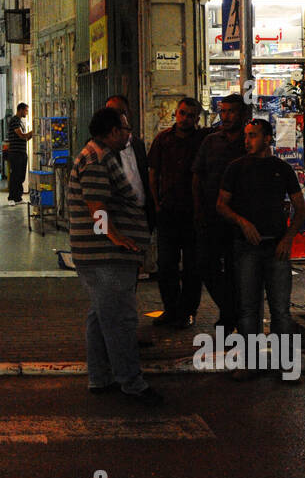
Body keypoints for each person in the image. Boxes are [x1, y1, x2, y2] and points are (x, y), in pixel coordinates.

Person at [67, 107, 163, 405]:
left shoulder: (101, 155)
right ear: (111, 132)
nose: (128, 132)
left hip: (104, 255)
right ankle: (131, 382)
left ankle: (100, 377)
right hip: (105, 256)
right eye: (124, 128)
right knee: (120, 320)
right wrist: (118, 238)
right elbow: (97, 207)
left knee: (101, 316)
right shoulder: (96, 159)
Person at [217, 118, 305, 380]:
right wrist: (242, 222)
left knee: (280, 308)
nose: (247, 140)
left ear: (267, 138)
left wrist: (288, 237)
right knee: (248, 308)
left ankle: (285, 362)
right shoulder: (235, 169)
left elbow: (300, 207)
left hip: (276, 246)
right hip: (247, 247)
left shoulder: (282, 169)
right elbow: (221, 204)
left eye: (253, 135)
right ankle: (250, 362)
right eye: (246, 135)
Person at [148, 97, 206, 327]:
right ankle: (171, 309)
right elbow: (153, 172)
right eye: (182, 113)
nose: (185, 118)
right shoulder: (163, 140)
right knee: (167, 265)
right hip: (169, 212)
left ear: (196, 118)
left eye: (190, 115)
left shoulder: (203, 140)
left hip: (193, 214)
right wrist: (157, 203)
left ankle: (188, 311)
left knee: (193, 267)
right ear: (176, 113)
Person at [192, 93, 247, 332]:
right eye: (222, 111)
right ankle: (230, 310)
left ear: (242, 114)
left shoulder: (248, 142)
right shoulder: (211, 141)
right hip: (212, 216)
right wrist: (198, 208)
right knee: (206, 265)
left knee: (237, 271)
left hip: (240, 219)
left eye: (231, 111)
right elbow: (197, 175)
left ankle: (229, 317)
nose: (225, 116)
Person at [106, 94, 156, 232]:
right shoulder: (100, 153)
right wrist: (106, 233)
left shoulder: (138, 145)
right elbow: (96, 204)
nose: (117, 118)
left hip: (139, 221)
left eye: (121, 113)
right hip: (117, 225)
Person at [7, 101, 32, 204]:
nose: (26, 113)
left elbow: (24, 139)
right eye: (26, 110)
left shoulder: (21, 122)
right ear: (20, 110)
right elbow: (21, 135)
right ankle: (11, 198)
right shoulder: (14, 121)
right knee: (15, 176)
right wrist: (33, 132)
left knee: (21, 176)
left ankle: (18, 197)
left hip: (22, 152)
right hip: (15, 153)